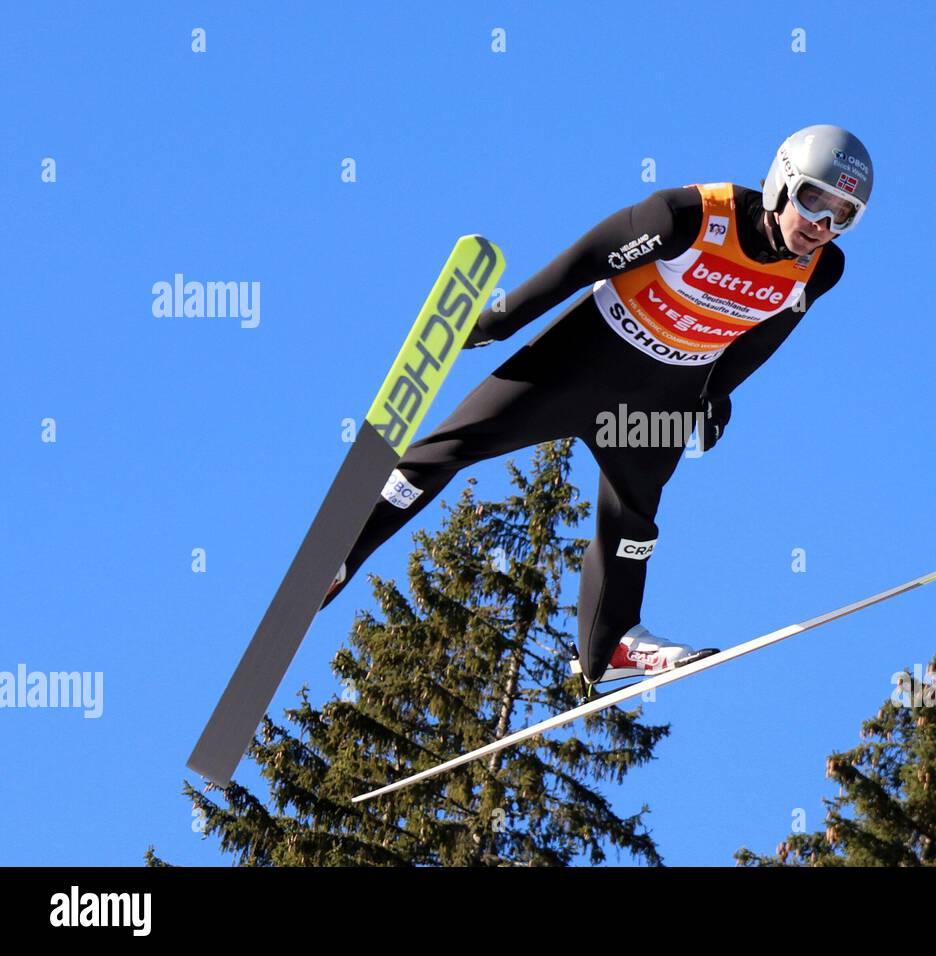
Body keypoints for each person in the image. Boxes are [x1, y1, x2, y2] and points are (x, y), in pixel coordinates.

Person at [320, 123, 873, 694]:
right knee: (451, 448)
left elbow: (762, 336)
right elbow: (583, 262)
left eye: (843, 216)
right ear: (782, 183)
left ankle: (610, 647)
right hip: (583, 364)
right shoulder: (689, 216)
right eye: (813, 200)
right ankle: (342, 553)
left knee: (632, 522)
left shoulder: (820, 268)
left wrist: (718, 394)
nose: (822, 226)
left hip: (663, 399)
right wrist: (496, 321)